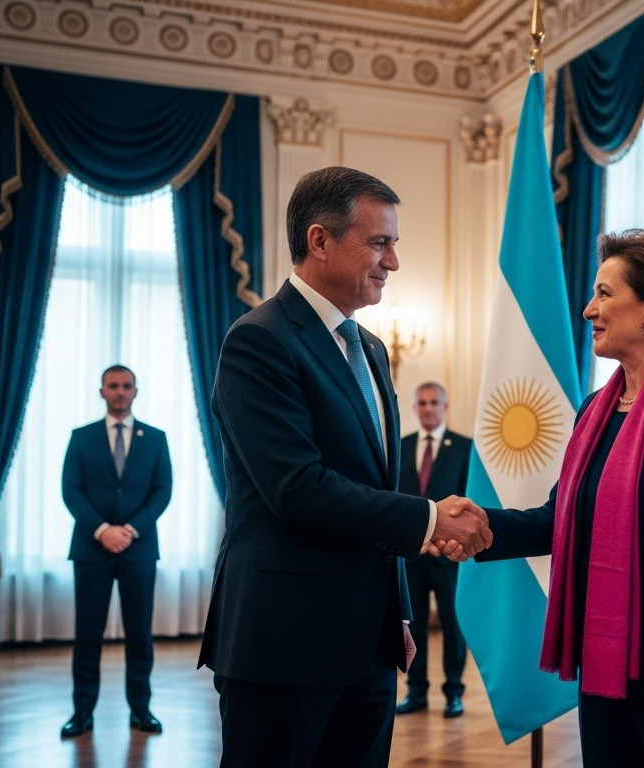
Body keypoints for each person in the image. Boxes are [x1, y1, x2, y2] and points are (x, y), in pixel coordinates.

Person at [198, 166, 492, 767]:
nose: (393, 261)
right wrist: (432, 518)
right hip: (285, 644)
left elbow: (374, 485)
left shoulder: (372, 349)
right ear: (320, 240)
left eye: (394, 244)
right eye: (379, 243)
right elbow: (296, 489)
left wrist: (399, 616)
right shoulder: (259, 341)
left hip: (370, 645)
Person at [451, 230, 644, 767]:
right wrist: (479, 526)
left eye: (604, 293)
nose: (589, 307)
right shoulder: (595, 410)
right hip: (606, 665)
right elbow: (560, 520)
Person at [59, 365, 172, 738]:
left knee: (140, 634)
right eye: (113, 386)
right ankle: (82, 712)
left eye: (126, 386)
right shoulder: (81, 437)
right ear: (102, 392)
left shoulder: (156, 438)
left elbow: (162, 491)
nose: (120, 392)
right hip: (92, 549)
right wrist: (104, 530)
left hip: (139, 550)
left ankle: (141, 709)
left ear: (136, 392)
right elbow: (71, 490)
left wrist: (130, 530)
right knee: (87, 634)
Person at [394, 382, 472, 718]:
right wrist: (417, 538)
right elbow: (394, 501)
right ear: (414, 408)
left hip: (449, 556)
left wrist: (443, 540)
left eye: (434, 402)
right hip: (411, 555)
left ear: (445, 405)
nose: (428, 408)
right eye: (422, 403)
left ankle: (454, 692)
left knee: (454, 626)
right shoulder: (400, 447)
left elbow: (470, 500)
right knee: (413, 626)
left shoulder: (464, 448)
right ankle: (416, 692)